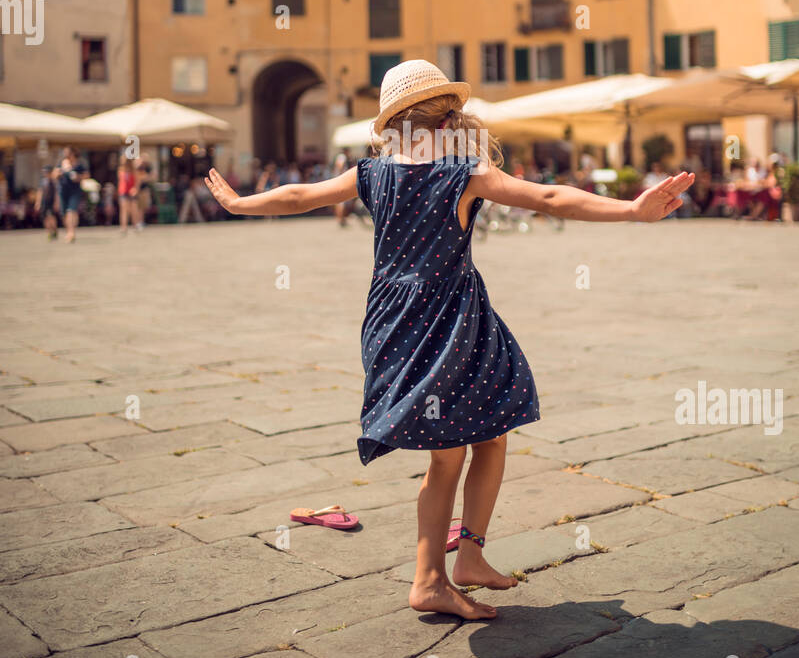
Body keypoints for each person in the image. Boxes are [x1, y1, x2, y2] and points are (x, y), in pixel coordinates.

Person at [205, 59, 694, 622]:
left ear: (395, 123)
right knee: (453, 454)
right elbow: (553, 199)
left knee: (489, 433)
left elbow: (299, 196)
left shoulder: (373, 173)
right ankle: (429, 579)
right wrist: (632, 210)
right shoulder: (463, 175)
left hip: (395, 321)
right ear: (444, 119)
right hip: (447, 324)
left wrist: (242, 204)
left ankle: (469, 559)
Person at [52, 146, 87, 243]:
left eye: (67, 152)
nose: (65, 154)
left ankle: (71, 233)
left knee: (71, 211)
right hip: (63, 191)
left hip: (74, 191)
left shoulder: (79, 165)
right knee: (64, 213)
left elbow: (86, 175)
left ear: (72, 153)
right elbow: (54, 175)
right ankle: (69, 230)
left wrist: (77, 176)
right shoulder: (62, 163)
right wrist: (59, 173)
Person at [35, 165, 59, 238]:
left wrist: (56, 202)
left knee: (52, 216)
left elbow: (57, 193)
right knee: (45, 217)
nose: (46, 173)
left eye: (47, 172)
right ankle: (49, 231)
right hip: (44, 201)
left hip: (52, 201)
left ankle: (54, 230)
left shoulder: (55, 181)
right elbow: (40, 192)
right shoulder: (43, 181)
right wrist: (38, 202)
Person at [117, 157, 138, 232]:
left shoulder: (133, 170)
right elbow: (121, 182)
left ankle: (135, 224)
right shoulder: (121, 170)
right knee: (124, 210)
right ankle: (124, 226)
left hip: (131, 192)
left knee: (133, 210)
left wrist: (135, 189)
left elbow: (136, 181)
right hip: (123, 192)